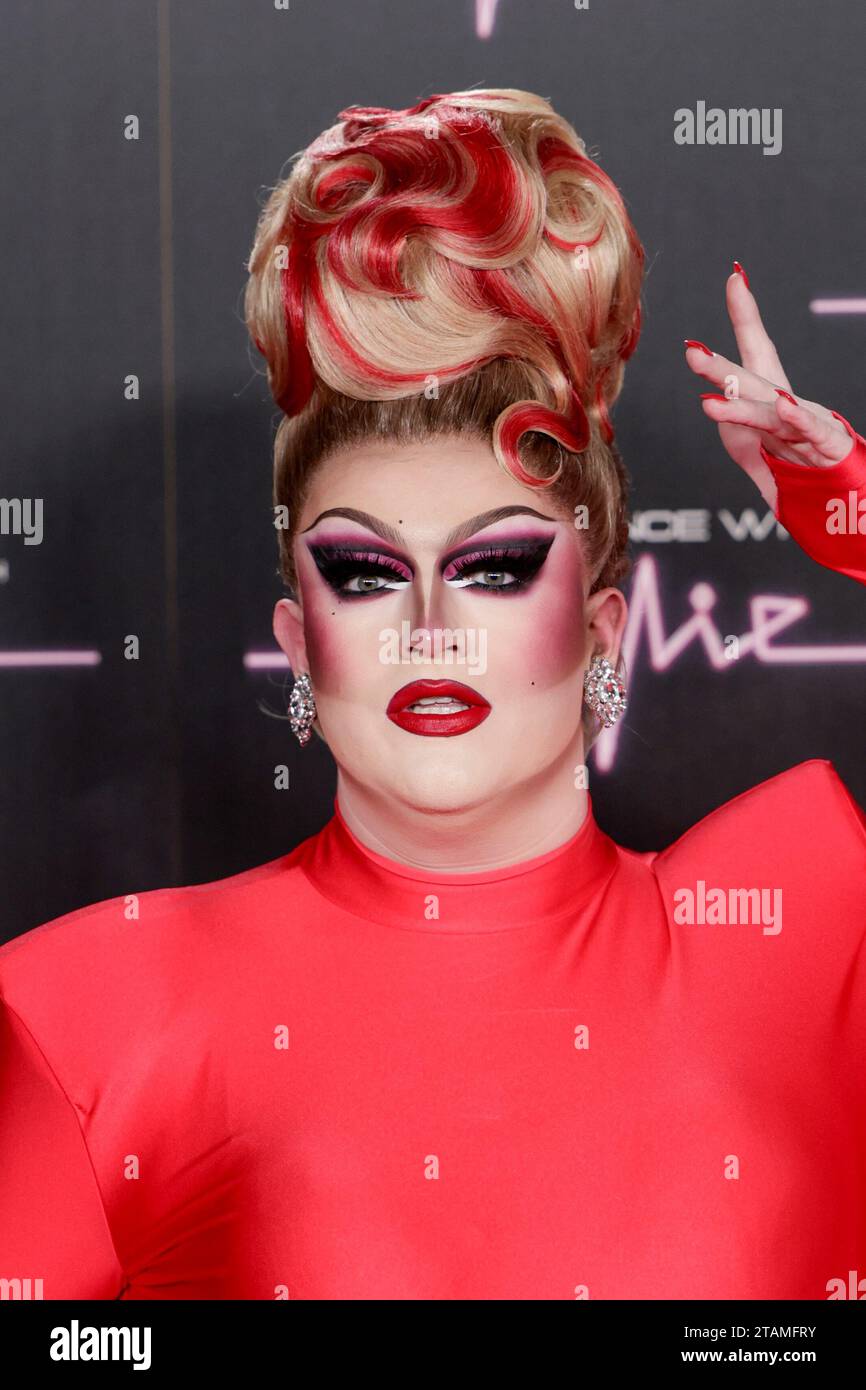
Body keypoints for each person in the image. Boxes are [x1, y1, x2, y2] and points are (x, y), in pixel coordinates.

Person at [1, 88, 864, 1301]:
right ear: (298, 642)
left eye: (496, 565)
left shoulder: (806, 933)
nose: (429, 630)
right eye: (363, 571)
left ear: (603, 624)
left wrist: (848, 509)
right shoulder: (93, 1011)